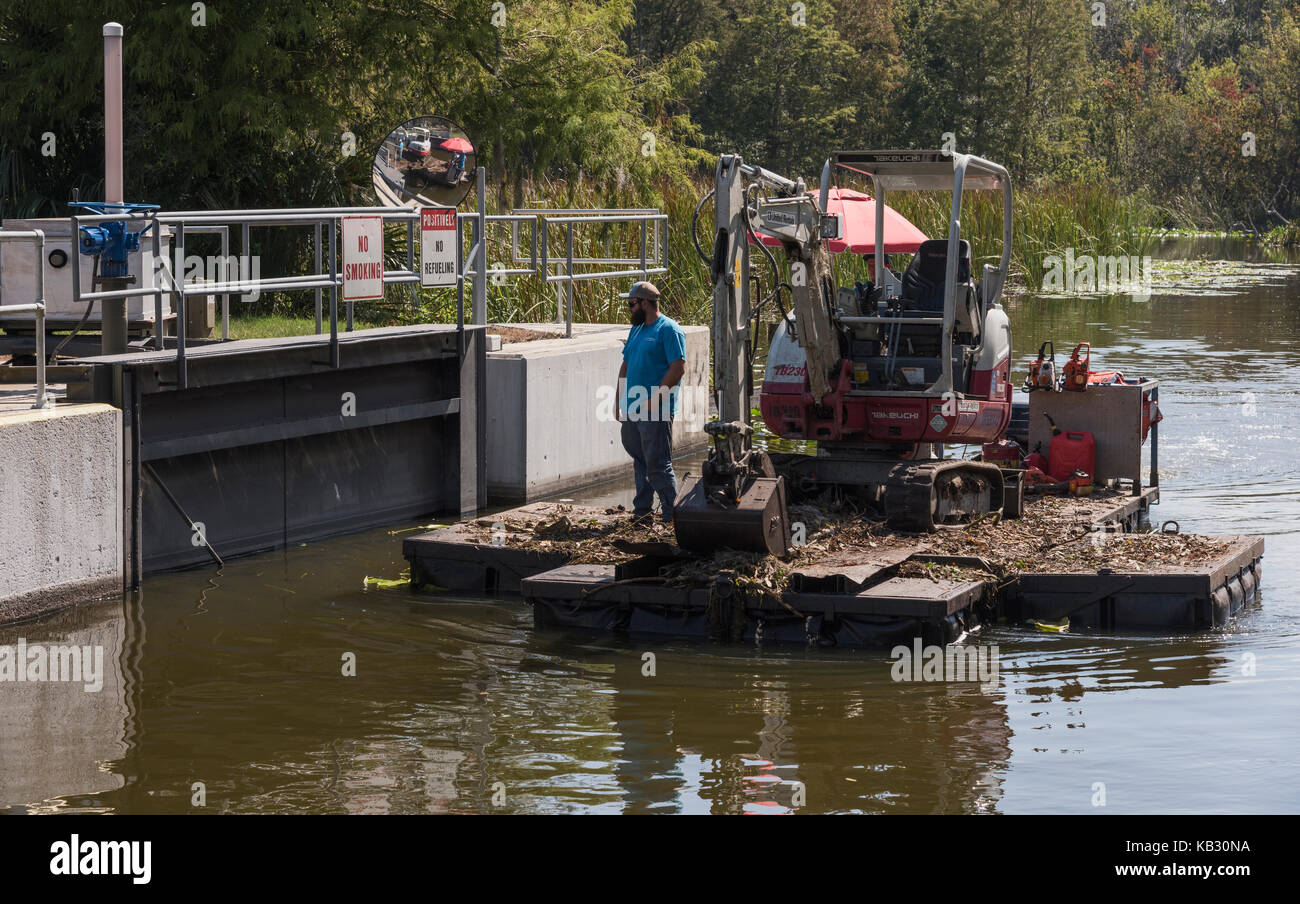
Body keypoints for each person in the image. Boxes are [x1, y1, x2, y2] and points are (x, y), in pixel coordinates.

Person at [616, 281, 686, 524]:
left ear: (645, 303)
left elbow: (678, 368)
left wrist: (653, 401)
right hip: (633, 408)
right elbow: (625, 365)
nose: (629, 309)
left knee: (658, 464)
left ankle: (672, 515)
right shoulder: (636, 330)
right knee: (640, 461)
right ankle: (642, 512)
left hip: (656, 411)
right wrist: (618, 401)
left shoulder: (669, 330)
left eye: (632, 304)